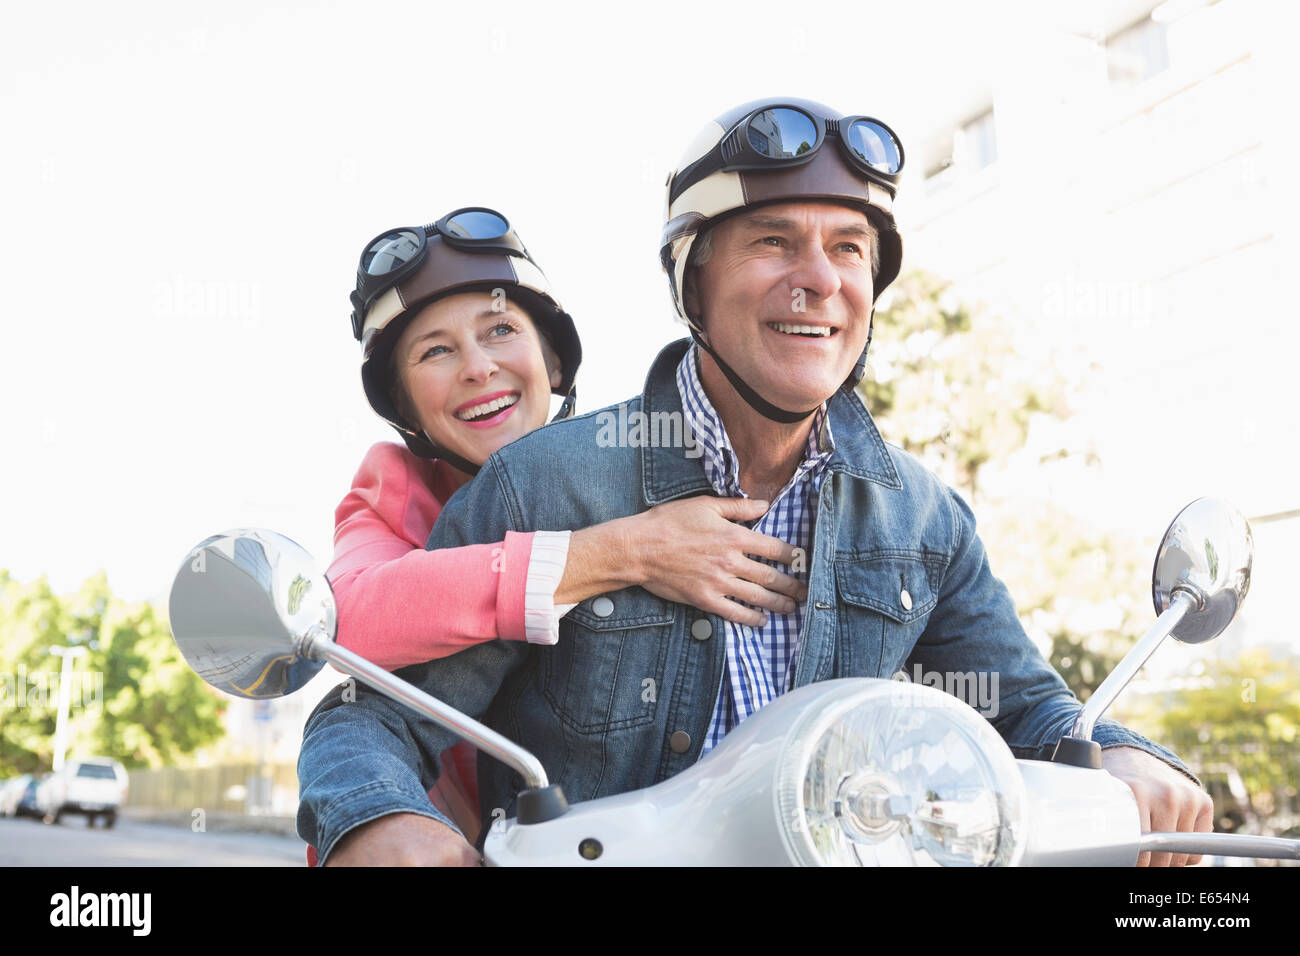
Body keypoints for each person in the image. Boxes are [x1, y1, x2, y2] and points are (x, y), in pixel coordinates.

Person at [298, 101, 1213, 867]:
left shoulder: (925, 518)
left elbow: (1021, 704)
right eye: (775, 242)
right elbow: (375, 714)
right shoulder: (542, 484)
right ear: (693, 283)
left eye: (849, 248)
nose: (819, 280)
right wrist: (380, 815)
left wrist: (1123, 758)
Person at [314, 206, 809, 865]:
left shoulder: (619, 468)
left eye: (499, 331)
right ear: (402, 404)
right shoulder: (390, 488)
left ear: (552, 359)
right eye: (435, 350)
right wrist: (620, 552)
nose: (477, 367)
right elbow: (348, 621)